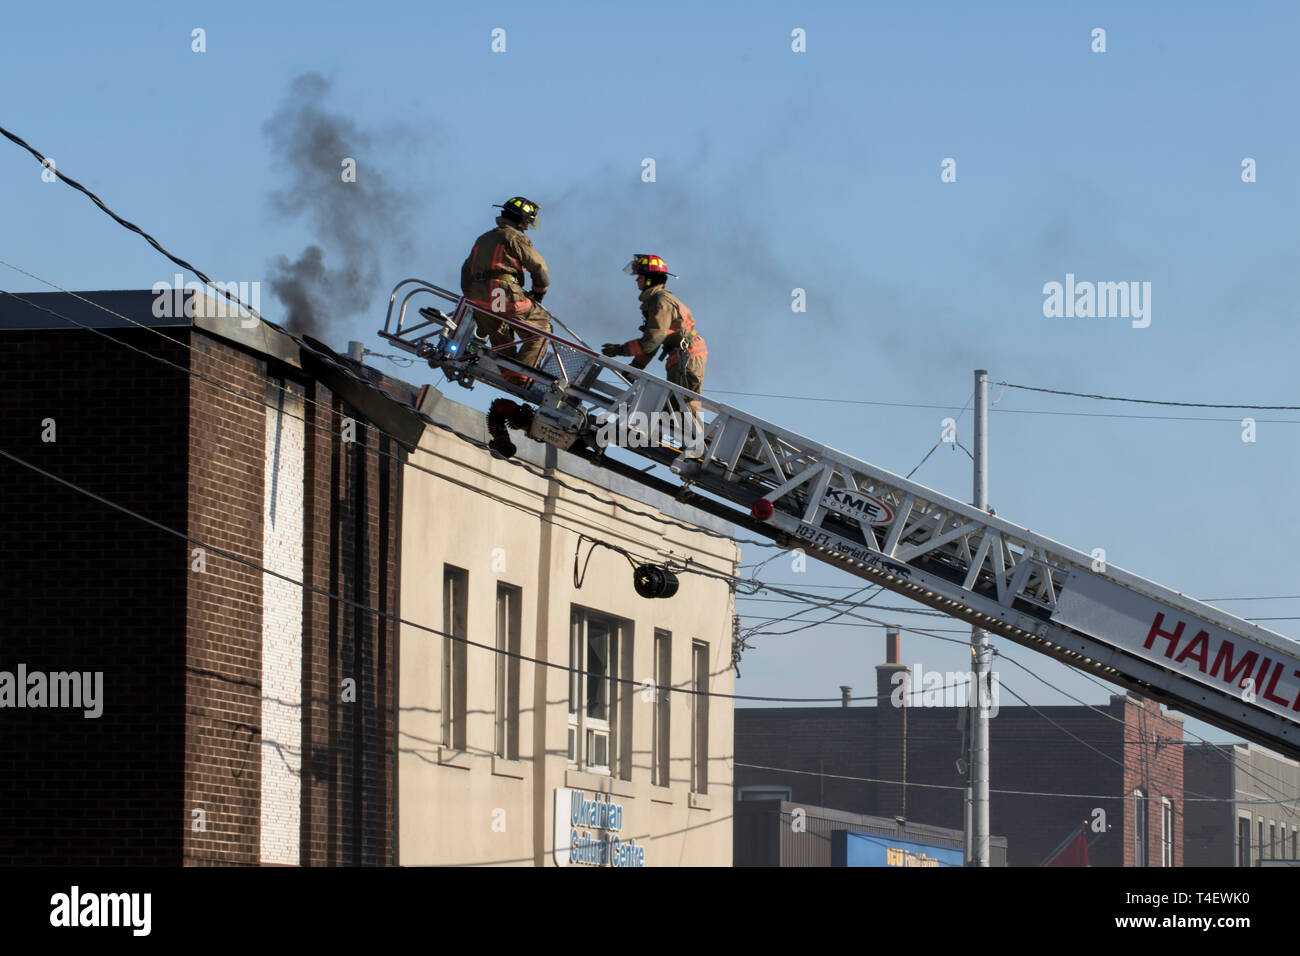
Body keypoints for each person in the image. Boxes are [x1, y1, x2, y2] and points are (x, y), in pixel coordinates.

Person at [602, 254, 707, 426]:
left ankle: (695, 448)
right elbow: (654, 342)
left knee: (683, 407)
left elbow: (652, 340)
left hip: (686, 357)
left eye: (640, 277)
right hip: (684, 356)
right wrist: (636, 367)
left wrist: (621, 350)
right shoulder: (658, 300)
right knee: (676, 407)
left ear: (650, 280)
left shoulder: (660, 302)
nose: (636, 281)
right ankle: (689, 445)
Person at [460, 196, 551, 379]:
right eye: (527, 222)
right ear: (521, 219)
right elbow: (541, 271)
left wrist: (473, 298)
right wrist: (538, 295)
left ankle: (510, 375)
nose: (527, 227)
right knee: (541, 329)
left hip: (478, 297)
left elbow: (465, 271)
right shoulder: (515, 237)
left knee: (499, 333)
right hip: (500, 294)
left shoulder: (483, 238)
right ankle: (521, 376)